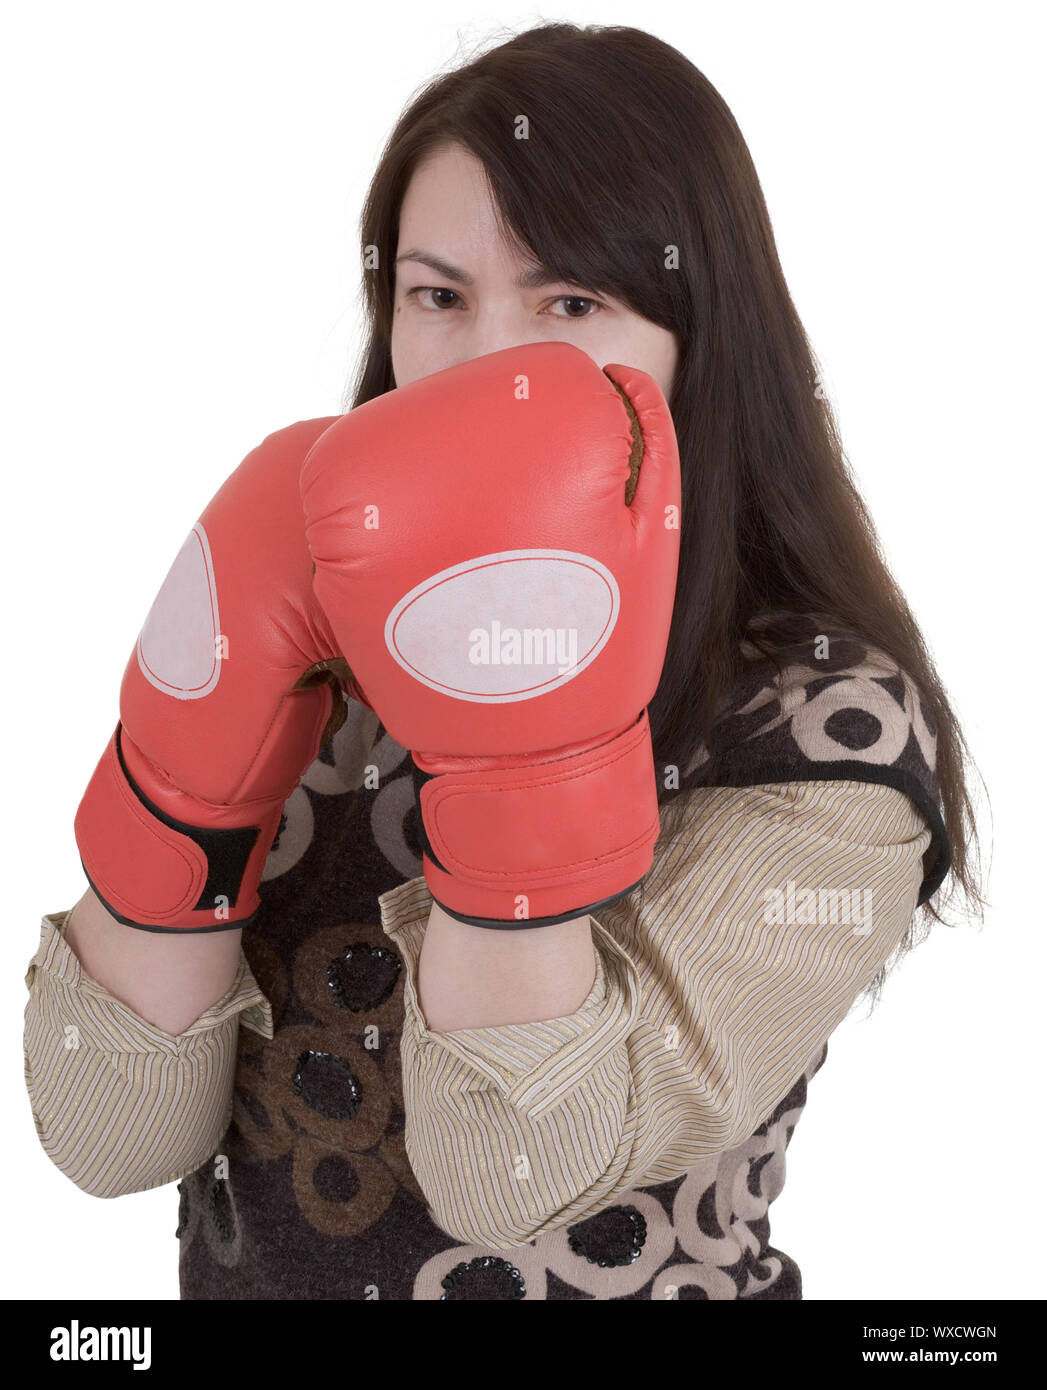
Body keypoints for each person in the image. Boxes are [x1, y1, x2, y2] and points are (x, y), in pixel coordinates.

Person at [24, 22, 982, 1300]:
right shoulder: (317, 644)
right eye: (439, 296)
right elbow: (108, 1135)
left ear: (700, 339)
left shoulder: (826, 733)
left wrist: (519, 729)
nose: (492, 366)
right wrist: (184, 777)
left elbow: (514, 1166)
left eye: (574, 303)